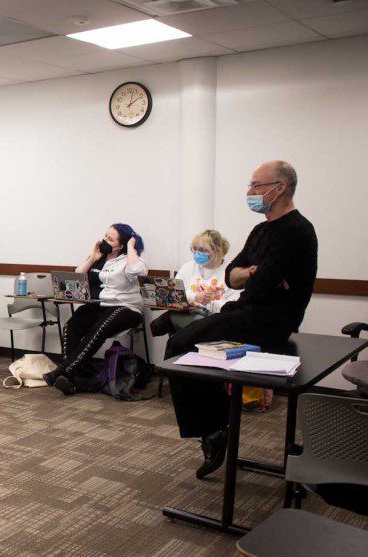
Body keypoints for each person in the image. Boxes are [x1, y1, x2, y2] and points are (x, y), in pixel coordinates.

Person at [166, 160, 317, 479]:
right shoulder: (261, 230)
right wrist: (251, 273)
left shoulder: (297, 231)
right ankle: (218, 426)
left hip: (271, 323)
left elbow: (259, 285)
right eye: (250, 186)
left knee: (180, 344)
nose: (250, 192)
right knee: (180, 347)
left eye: (256, 186)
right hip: (244, 312)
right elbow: (231, 275)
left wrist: (250, 276)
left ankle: (215, 430)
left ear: (280, 188)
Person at [43, 224, 148, 395]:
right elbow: (77, 276)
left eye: (110, 239)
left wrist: (131, 247)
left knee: (98, 329)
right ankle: (77, 375)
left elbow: (137, 270)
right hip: (100, 304)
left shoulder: (130, 260)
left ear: (120, 245)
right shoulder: (100, 258)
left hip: (126, 307)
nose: (104, 240)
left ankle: (64, 371)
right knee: (72, 325)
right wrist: (93, 257)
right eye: (105, 235)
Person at [152, 230, 240, 336]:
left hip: (217, 320)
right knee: (177, 319)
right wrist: (195, 297)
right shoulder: (188, 268)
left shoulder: (231, 271)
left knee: (187, 331)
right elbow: (173, 294)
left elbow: (234, 306)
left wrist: (208, 304)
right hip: (189, 317)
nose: (197, 254)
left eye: (202, 250)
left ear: (217, 249)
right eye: (194, 250)